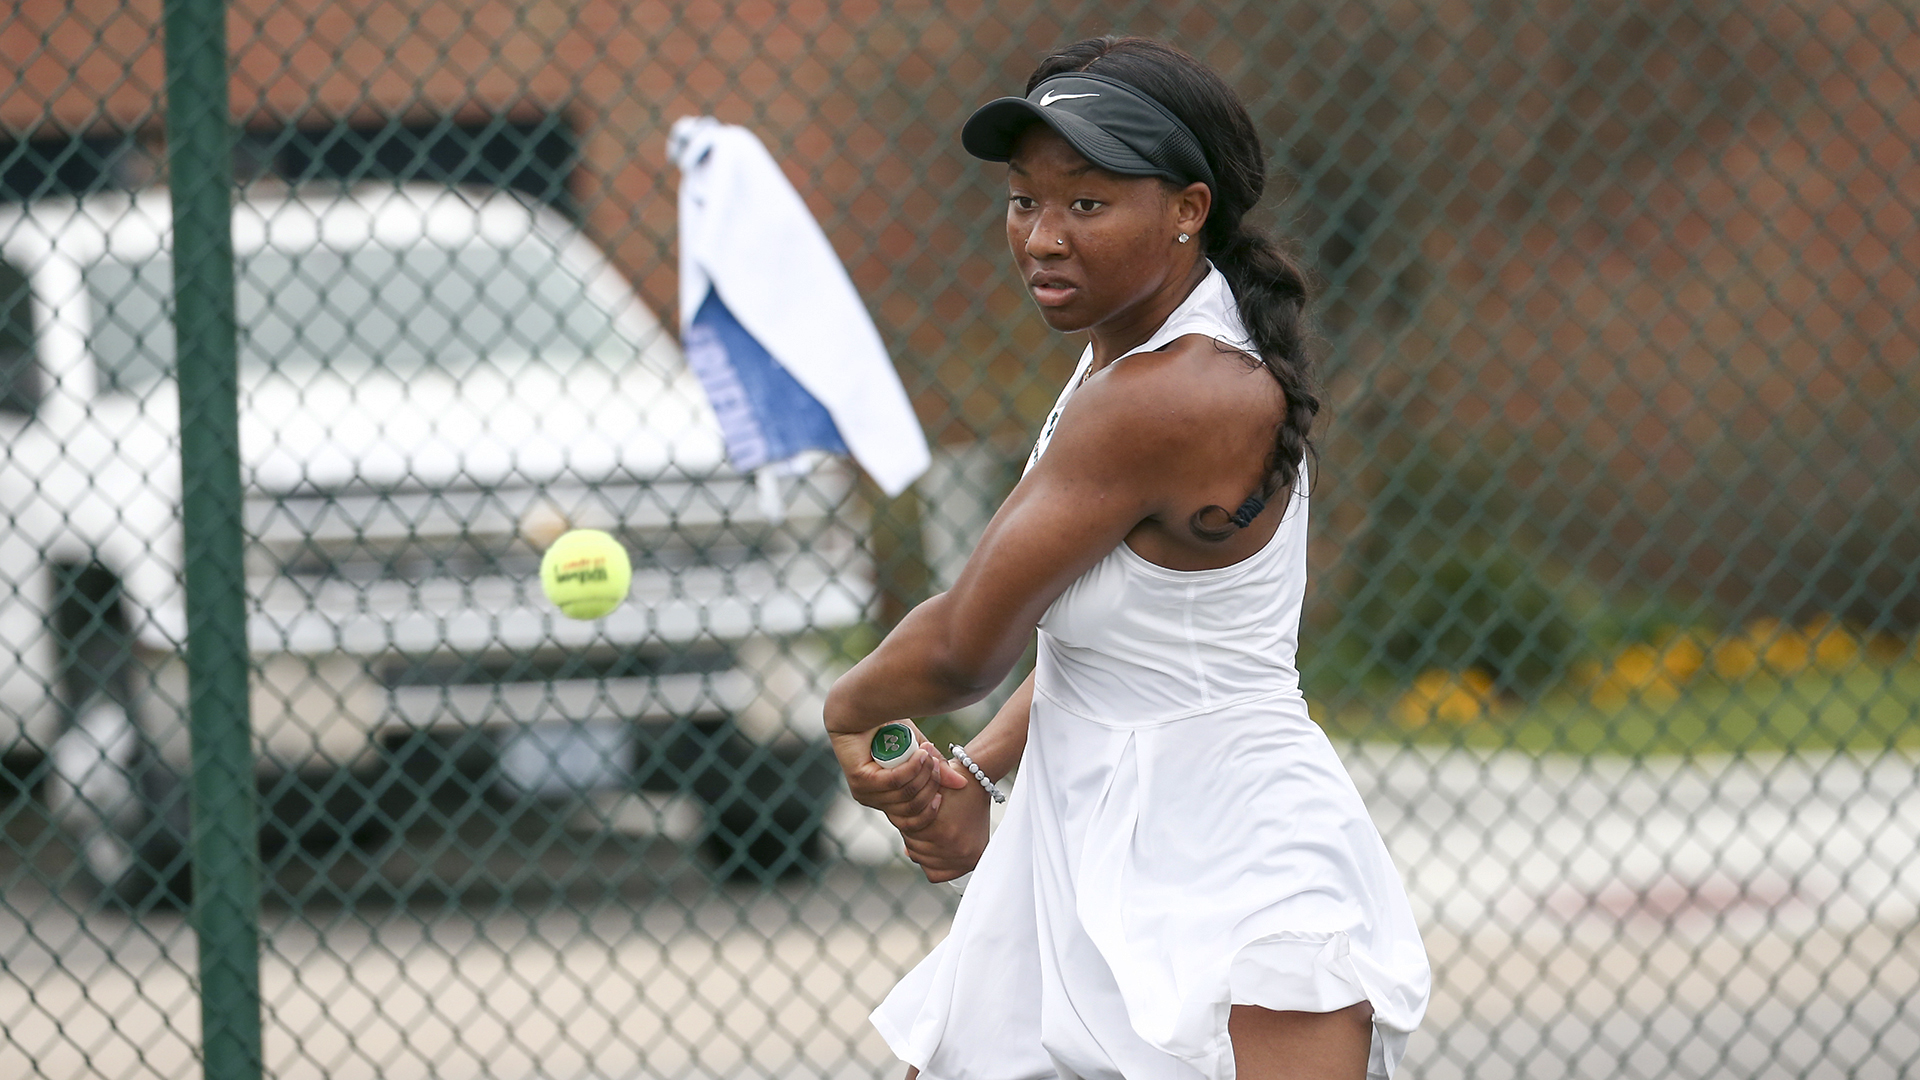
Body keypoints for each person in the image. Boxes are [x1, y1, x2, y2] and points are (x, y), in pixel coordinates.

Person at [823, 36, 1431, 1080]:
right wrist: (980, 768)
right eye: (1024, 201)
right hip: (1078, 841)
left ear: (1188, 209)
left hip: (1233, 859)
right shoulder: (1121, 358)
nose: (1042, 237)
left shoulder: (1168, 394)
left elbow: (966, 644)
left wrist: (848, 707)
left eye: (1087, 203)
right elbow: (1118, 636)